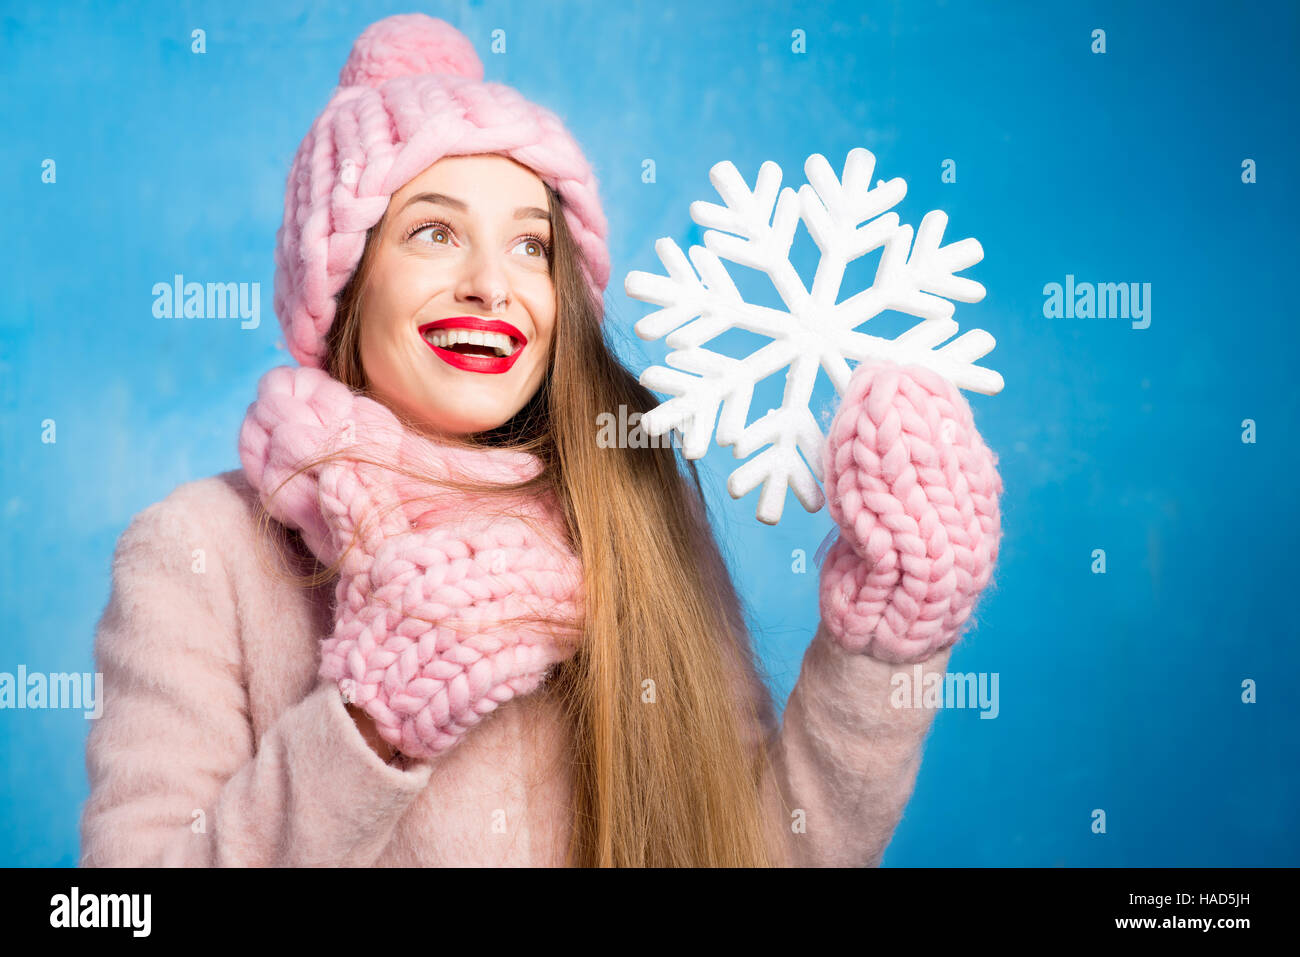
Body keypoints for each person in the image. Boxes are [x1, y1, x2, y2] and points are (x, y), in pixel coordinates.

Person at [78, 13, 1003, 867]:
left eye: (531, 246)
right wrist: (368, 724)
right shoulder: (200, 549)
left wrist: (887, 649)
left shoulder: (633, 510)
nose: (493, 284)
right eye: (434, 232)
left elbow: (756, 849)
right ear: (345, 286)